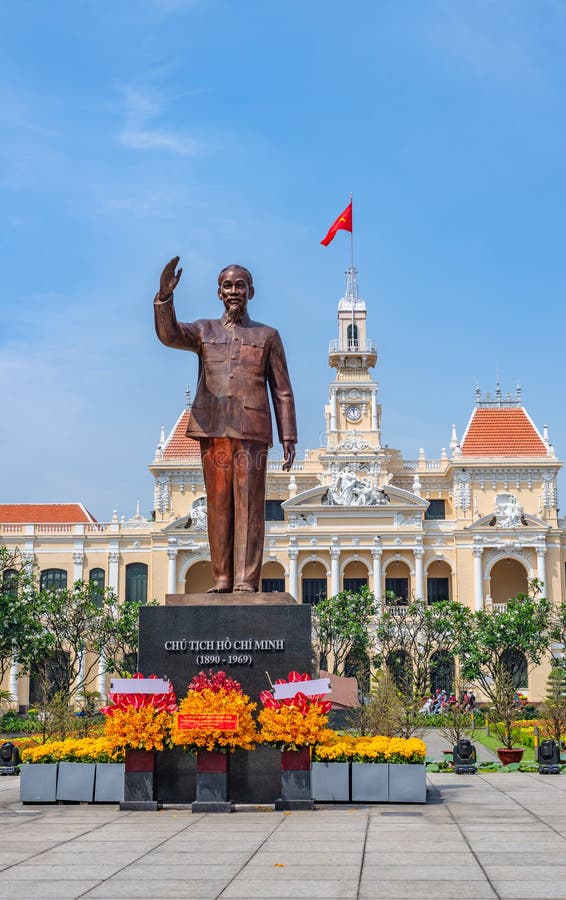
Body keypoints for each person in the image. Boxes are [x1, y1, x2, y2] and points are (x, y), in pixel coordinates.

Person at [154, 258, 297, 593]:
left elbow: (282, 389)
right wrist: (164, 298)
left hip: (252, 432)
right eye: (228, 286)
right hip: (213, 428)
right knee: (218, 504)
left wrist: (288, 435)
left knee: (249, 507)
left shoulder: (267, 336)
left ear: (251, 291)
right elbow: (170, 335)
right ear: (219, 293)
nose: (234, 291)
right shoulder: (204, 331)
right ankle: (221, 578)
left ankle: (246, 581)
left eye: (240, 285)